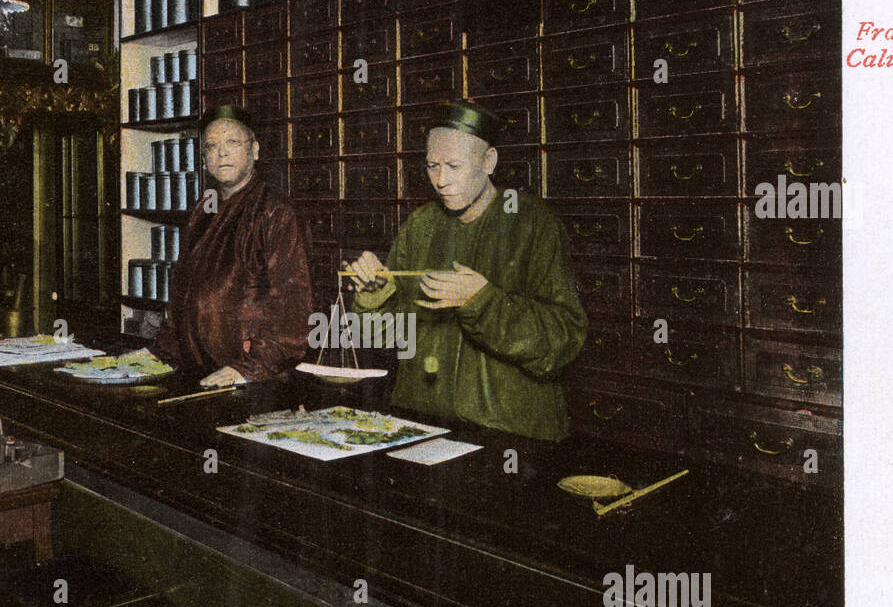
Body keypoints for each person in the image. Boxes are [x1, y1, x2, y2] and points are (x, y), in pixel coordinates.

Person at [347, 100, 587, 442]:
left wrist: (482, 301)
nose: (441, 180)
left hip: (506, 431)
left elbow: (564, 343)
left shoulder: (532, 223)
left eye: (454, 166)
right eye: (432, 166)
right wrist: (373, 297)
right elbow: (384, 340)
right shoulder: (422, 225)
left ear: (488, 161)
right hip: (421, 423)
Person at [150, 105, 313, 386]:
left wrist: (248, 369)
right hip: (199, 372)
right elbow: (184, 295)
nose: (221, 152)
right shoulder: (204, 210)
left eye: (232, 142)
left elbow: (293, 313)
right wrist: (158, 354)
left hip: (251, 378)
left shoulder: (275, 212)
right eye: (211, 146)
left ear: (256, 151)